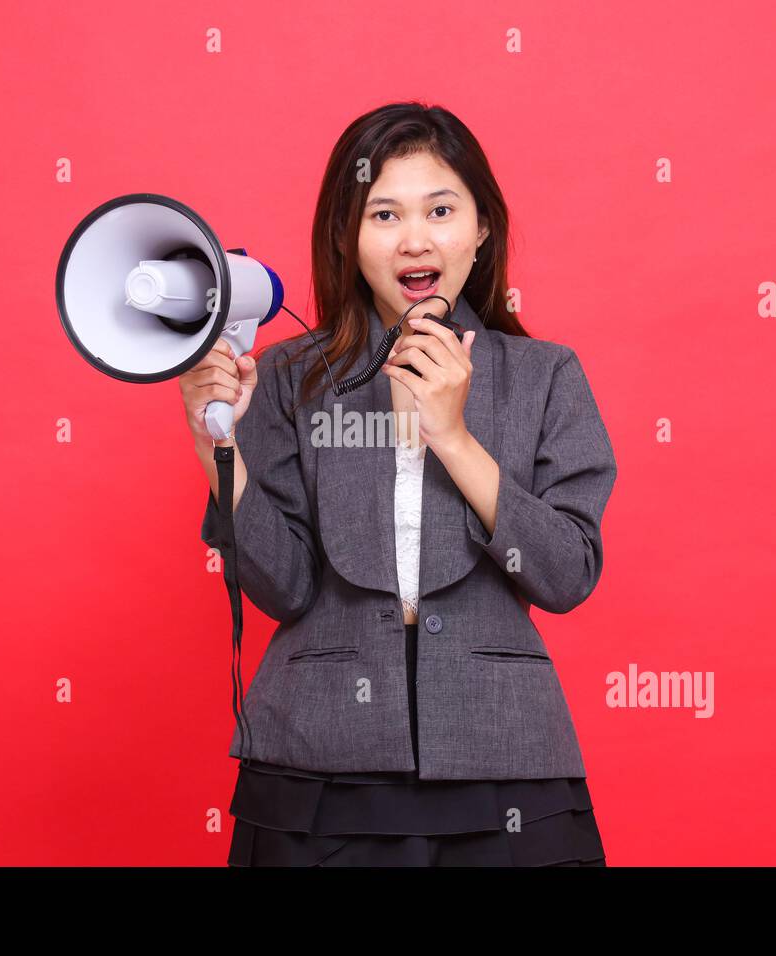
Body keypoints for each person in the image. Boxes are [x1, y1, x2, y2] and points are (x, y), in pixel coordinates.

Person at [182, 101, 617, 866]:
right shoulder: (288, 376)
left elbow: (565, 574)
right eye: (383, 214)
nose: (415, 239)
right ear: (348, 238)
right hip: (320, 763)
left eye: (441, 210)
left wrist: (452, 434)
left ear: (482, 228)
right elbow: (282, 588)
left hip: (502, 757)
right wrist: (215, 442)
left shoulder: (546, 376)